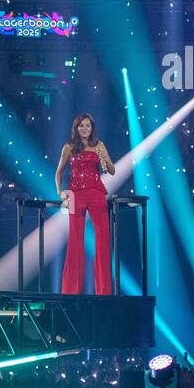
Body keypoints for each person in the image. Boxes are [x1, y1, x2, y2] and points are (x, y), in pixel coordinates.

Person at [54, 114, 115, 295]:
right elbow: (59, 172)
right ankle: (71, 291)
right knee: (75, 240)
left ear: (92, 128)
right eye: (81, 126)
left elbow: (112, 170)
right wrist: (60, 194)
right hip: (74, 194)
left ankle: (103, 291)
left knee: (103, 240)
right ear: (76, 128)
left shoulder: (99, 145)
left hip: (96, 192)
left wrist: (105, 158)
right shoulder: (69, 147)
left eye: (87, 125)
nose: (84, 128)